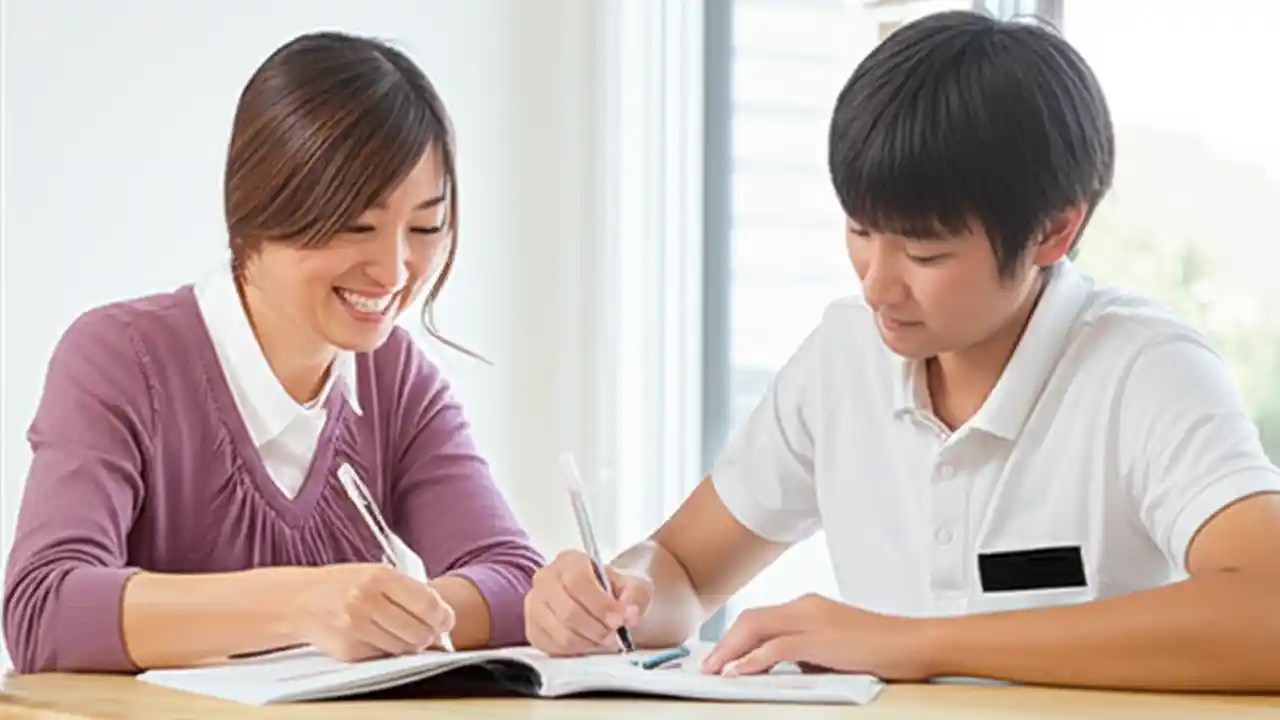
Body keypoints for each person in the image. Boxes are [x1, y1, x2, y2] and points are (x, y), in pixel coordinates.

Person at [524, 11, 1280, 691]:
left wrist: (911, 644)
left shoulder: (1144, 367)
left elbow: (1267, 609)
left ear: (1054, 231)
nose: (877, 285)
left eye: (924, 254)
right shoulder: (843, 357)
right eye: (860, 231)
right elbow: (685, 570)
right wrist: (612, 597)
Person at [4, 31, 543, 674]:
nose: (395, 270)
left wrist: (388, 614)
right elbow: (45, 610)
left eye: (425, 227)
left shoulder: (395, 378)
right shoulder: (120, 359)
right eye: (356, 226)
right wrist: (303, 606)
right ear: (257, 210)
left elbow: (515, 579)